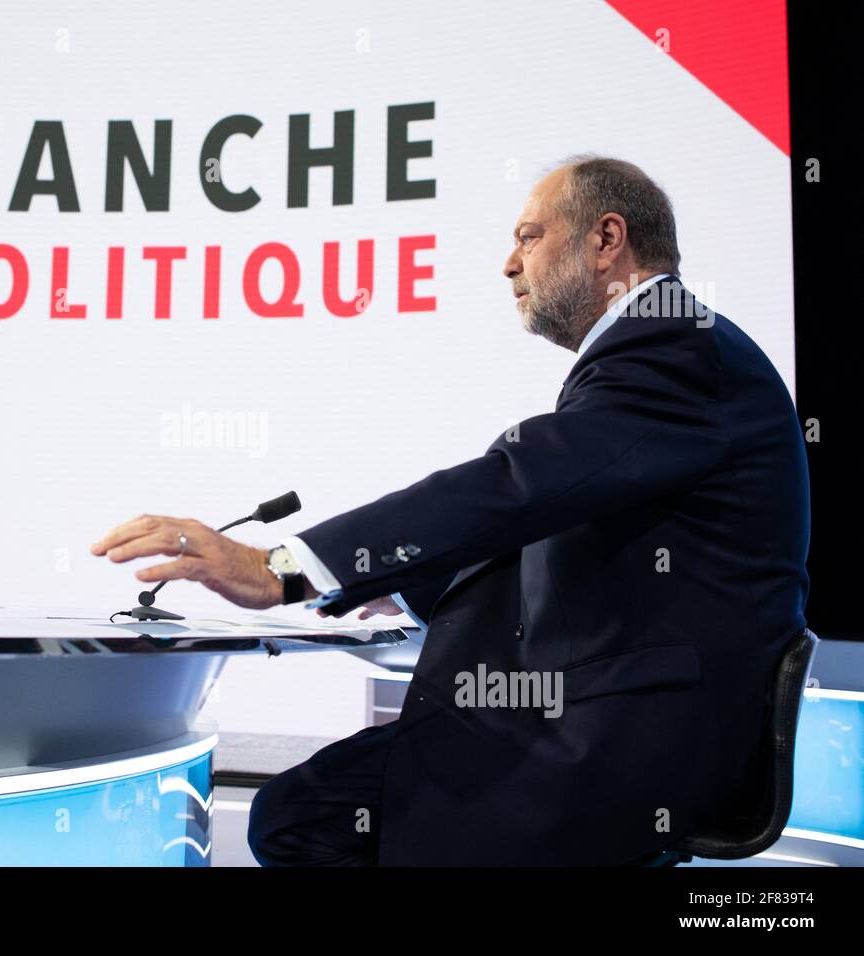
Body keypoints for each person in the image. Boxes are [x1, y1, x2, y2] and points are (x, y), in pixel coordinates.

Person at [89, 156, 810, 865]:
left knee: (302, 820)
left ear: (605, 239)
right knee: (302, 811)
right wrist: (407, 586)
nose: (509, 263)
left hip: (628, 737)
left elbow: (521, 485)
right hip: (618, 715)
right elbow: (562, 515)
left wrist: (281, 569)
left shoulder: (669, 344)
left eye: (529, 237)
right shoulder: (667, 350)